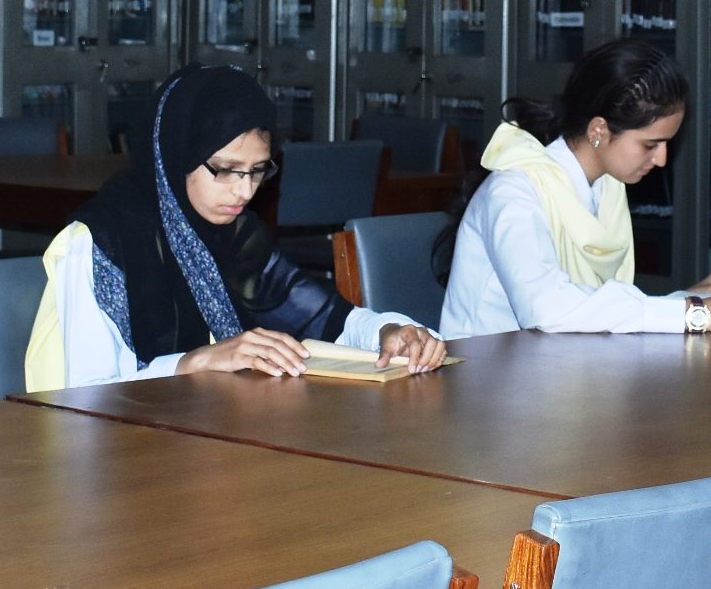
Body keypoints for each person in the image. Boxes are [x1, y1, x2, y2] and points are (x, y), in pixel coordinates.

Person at [24, 65, 446, 390]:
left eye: (258, 171)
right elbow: (82, 395)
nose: (243, 191)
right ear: (175, 154)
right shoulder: (101, 243)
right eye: (225, 170)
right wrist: (195, 361)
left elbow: (330, 321)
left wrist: (391, 331)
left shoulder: (237, 235)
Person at [441, 38, 711, 338]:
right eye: (650, 145)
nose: (663, 159)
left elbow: (591, 308)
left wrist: (689, 299)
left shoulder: (606, 187)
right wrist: (696, 314)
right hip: (487, 389)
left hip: (557, 371)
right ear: (599, 131)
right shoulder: (514, 192)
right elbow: (547, 310)